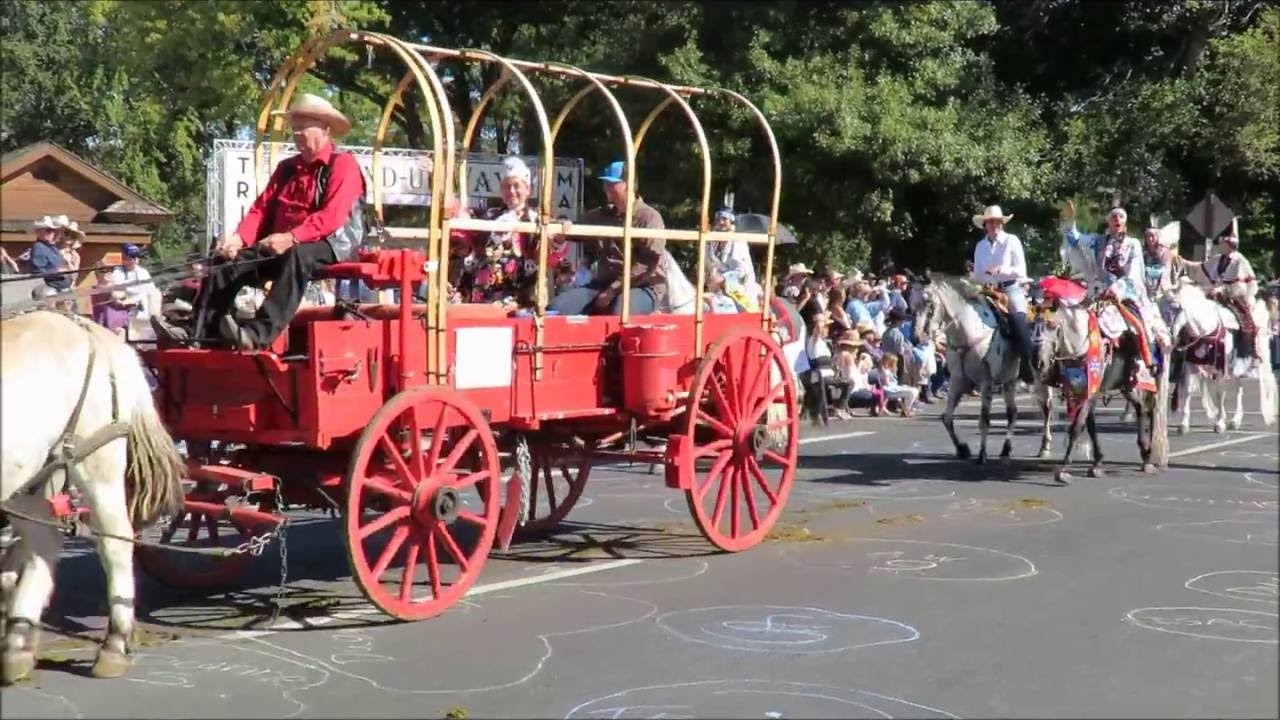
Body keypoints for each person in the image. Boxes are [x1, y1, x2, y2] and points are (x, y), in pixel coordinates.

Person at [155, 93, 365, 349]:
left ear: (325, 129)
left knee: (299, 255)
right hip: (283, 245)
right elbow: (261, 209)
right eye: (294, 128)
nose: (297, 133)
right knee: (224, 261)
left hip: (331, 244)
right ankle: (200, 334)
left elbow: (331, 217)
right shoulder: (287, 168)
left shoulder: (343, 165)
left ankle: (257, 335)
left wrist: (291, 237)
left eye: (304, 127)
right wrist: (238, 239)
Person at [549, 161, 666, 315]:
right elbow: (574, 228)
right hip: (604, 284)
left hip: (642, 286)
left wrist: (613, 290)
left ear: (628, 184)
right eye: (605, 183)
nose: (606, 188)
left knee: (619, 312)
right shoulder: (602, 214)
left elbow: (645, 265)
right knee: (557, 308)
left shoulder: (649, 218)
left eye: (611, 183)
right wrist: (559, 228)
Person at [1063, 205, 1164, 376]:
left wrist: (1117, 288)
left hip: (1125, 293)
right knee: (1073, 318)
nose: (1117, 219)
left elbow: (1133, 272)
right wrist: (1070, 222)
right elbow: (1075, 239)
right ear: (1108, 222)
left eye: (1121, 217)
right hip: (1099, 293)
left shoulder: (1133, 244)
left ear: (1124, 222)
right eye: (1113, 217)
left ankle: (1146, 361)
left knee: (1137, 324)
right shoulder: (1098, 241)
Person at [971, 204, 1035, 384]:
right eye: (990, 222)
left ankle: (1029, 365)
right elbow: (977, 274)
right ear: (985, 225)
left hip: (1010, 288)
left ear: (1002, 223)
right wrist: (984, 279)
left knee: (1017, 319)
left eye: (997, 221)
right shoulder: (980, 246)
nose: (994, 225)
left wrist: (1000, 269)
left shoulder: (1012, 241)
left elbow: (1021, 270)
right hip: (987, 290)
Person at [1201, 223, 1261, 361]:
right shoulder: (1218, 258)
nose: (1220, 246)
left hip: (1236, 296)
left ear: (1229, 245)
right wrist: (1183, 262)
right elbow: (1201, 268)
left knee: (1246, 320)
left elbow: (1239, 285)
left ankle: (1247, 351)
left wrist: (1222, 289)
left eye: (1222, 244)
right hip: (1216, 294)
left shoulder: (1239, 260)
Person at [706, 208, 760, 304]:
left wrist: (723, 279)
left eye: (724, 219)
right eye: (718, 219)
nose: (721, 222)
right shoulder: (713, 242)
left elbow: (741, 271)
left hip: (739, 291)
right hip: (717, 290)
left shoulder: (738, 241)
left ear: (731, 221)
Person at [109, 244, 160, 322]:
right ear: (123, 257)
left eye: (135, 257)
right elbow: (117, 293)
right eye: (130, 257)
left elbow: (152, 291)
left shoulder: (143, 272)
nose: (133, 260)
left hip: (143, 315)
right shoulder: (117, 272)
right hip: (124, 314)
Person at [24, 215, 71, 292]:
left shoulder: (51, 247)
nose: (52, 233)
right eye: (48, 230)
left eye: (53, 230)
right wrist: (57, 271)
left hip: (61, 287)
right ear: (38, 232)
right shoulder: (38, 247)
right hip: (51, 290)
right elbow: (37, 273)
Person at [90, 259, 130, 335]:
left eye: (110, 270)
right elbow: (112, 295)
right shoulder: (96, 289)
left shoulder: (118, 287)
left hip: (122, 325)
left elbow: (123, 296)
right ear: (97, 274)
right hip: (106, 327)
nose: (108, 272)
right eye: (103, 270)